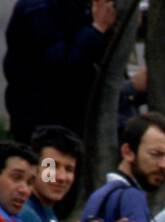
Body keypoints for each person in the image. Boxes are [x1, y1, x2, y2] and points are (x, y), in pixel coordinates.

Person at [3, 0, 116, 142]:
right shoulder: (38, 9)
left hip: (72, 116)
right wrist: (98, 28)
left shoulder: (73, 6)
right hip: (45, 121)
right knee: (49, 163)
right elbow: (61, 66)